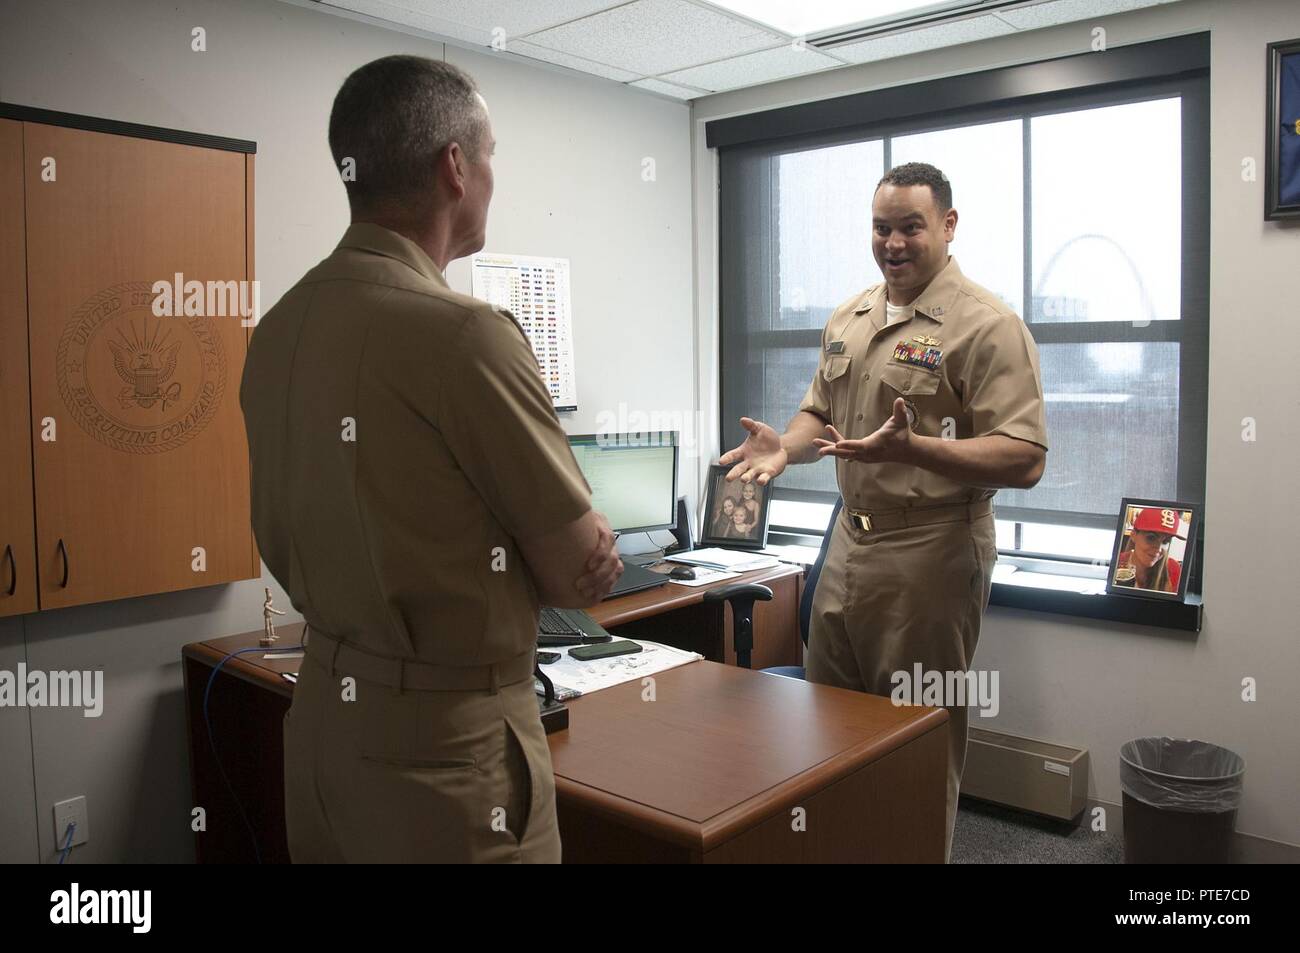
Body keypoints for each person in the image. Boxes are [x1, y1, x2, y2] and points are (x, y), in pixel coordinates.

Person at [239, 56, 622, 863]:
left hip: (324, 732)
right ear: (457, 165)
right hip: (446, 755)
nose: (492, 176)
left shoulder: (278, 330)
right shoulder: (465, 335)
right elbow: (576, 569)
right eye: (490, 156)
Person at [719, 162, 1048, 860]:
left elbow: (1025, 455)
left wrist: (922, 449)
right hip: (847, 545)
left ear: (948, 226)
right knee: (831, 730)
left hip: (931, 552)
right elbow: (819, 412)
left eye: (910, 227)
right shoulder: (852, 315)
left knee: (911, 742)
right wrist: (787, 447)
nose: (893, 243)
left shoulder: (988, 325)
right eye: (880, 228)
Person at [1114, 507, 1183, 593]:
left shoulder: (1173, 569)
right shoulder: (1117, 562)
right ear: (1133, 535)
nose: (1158, 549)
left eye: (1165, 541)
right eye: (1151, 538)